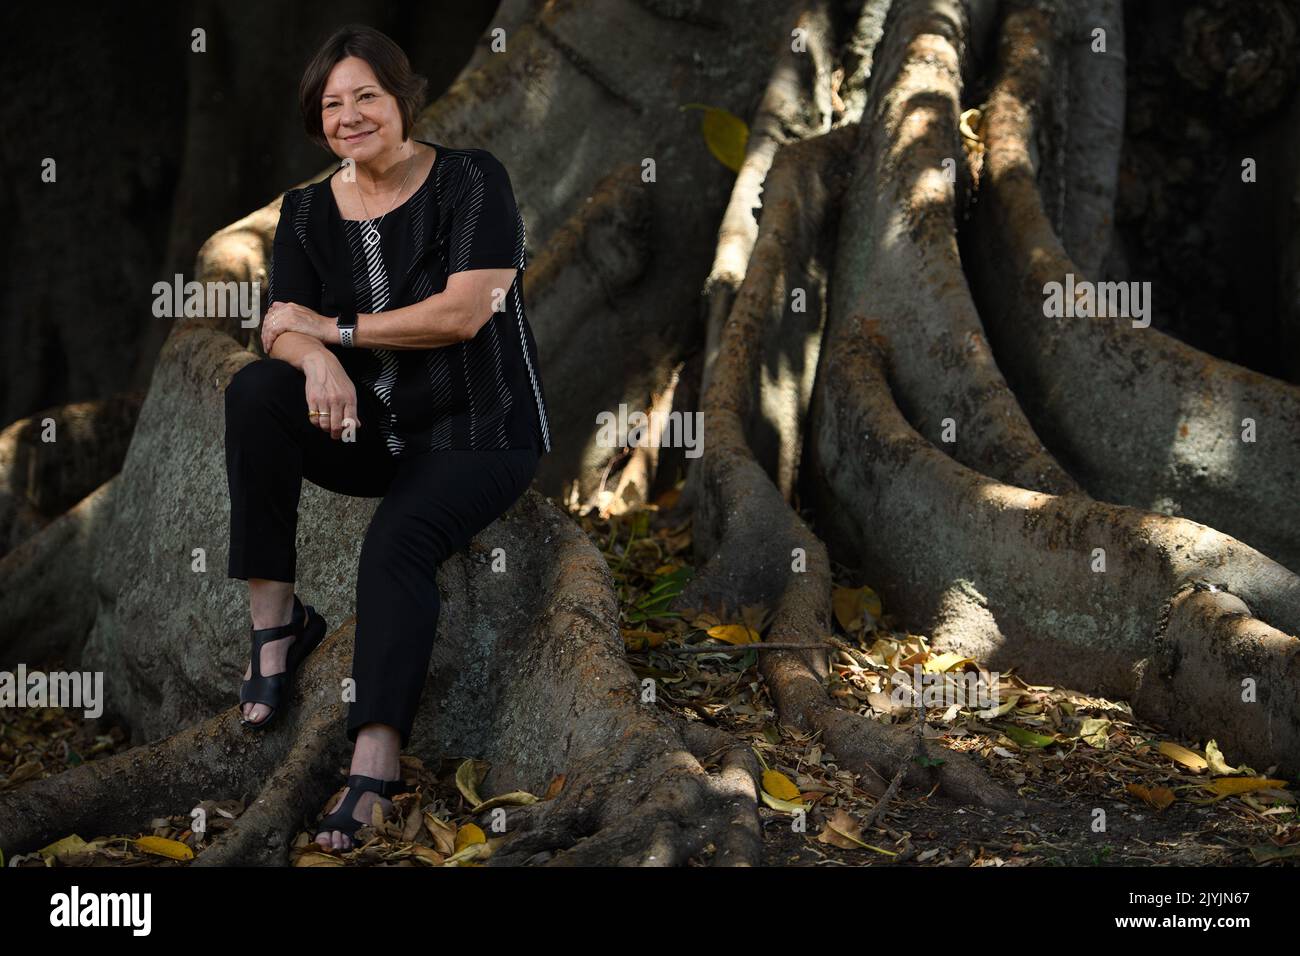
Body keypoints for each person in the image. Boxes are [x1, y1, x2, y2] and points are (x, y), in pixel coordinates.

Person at [223, 23, 552, 852]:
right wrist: (313, 359)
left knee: (394, 544)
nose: (351, 115)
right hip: (370, 430)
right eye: (332, 105)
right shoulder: (303, 211)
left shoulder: (472, 180)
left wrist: (330, 336)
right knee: (259, 390)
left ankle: (376, 755)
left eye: (367, 95)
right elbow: (279, 326)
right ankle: (276, 626)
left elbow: (462, 313)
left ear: (404, 100)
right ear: (318, 123)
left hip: (481, 432)